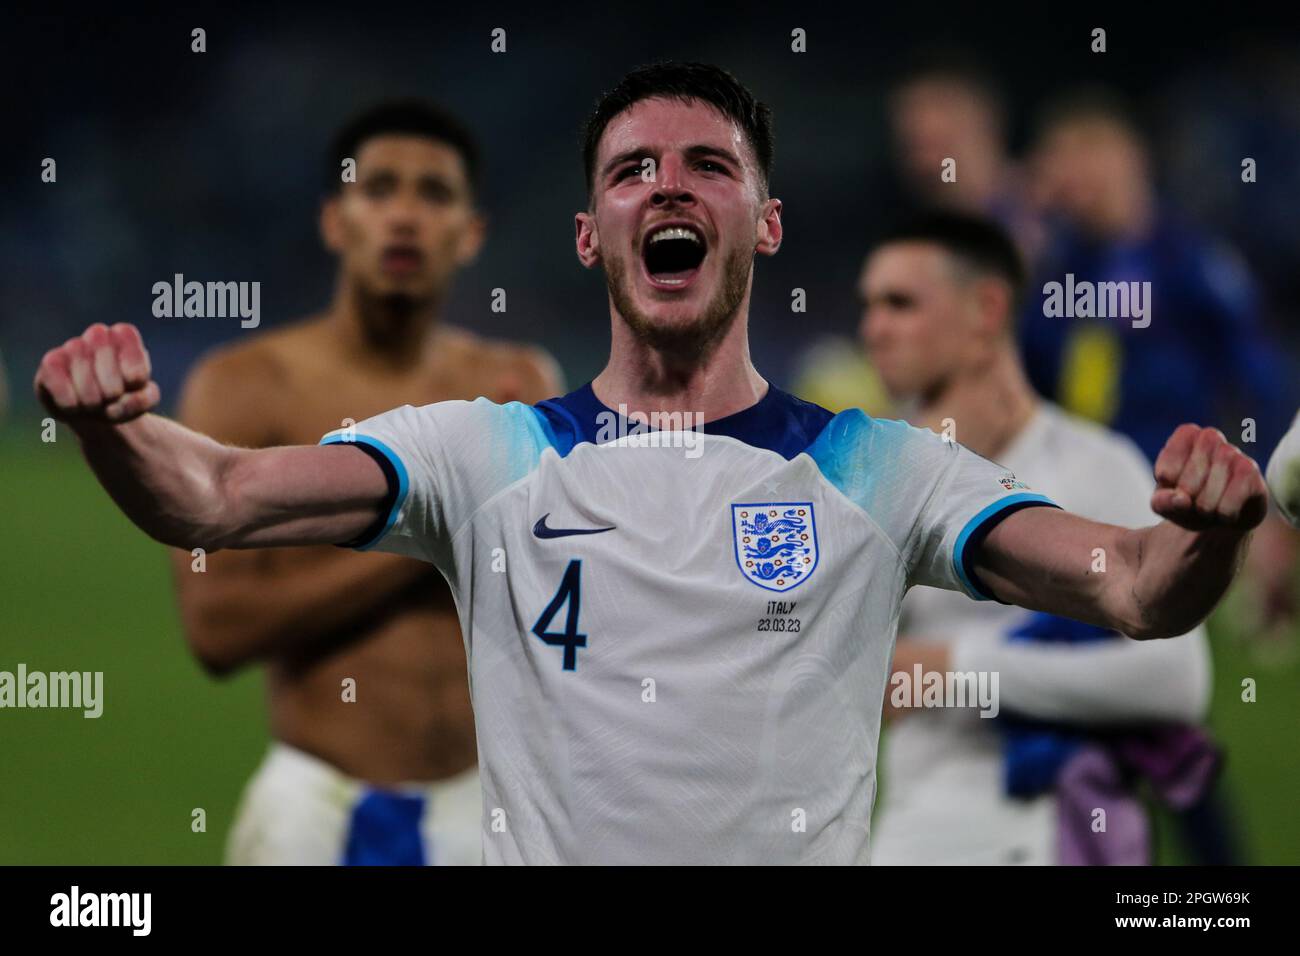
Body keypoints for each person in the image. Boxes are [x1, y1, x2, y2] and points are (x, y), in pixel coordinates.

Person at [35, 62, 1269, 865]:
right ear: (589, 236)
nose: (665, 187)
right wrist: (111, 423)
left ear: (764, 225)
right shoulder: (483, 448)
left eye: (708, 167)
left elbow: (1132, 585)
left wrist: (1206, 530)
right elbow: (212, 494)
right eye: (632, 171)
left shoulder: (880, 468)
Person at [170, 101, 561, 865]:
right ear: (335, 220)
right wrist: (427, 533)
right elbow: (217, 629)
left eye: (435, 194)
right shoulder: (247, 387)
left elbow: (549, 600)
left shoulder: (514, 382)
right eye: (379, 189)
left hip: (487, 801)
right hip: (320, 805)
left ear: (471, 233)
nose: (406, 216)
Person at [857, 212, 1212, 864]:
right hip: (917, 834)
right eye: (870, 306)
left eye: (900, 303)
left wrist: (957, 668)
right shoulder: (871, 482)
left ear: (986, 310)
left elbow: (1177, 680)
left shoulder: (1096, 466)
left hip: (1066, 828)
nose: (873, 328)